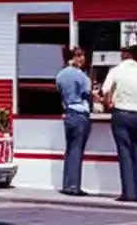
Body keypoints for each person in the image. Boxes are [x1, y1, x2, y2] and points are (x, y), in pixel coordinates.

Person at [101, 43, 137, 203]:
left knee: (125, 153)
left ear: (128, 55)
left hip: (121, 113)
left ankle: (128, 192)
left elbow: (105, 90)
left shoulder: (117, 70)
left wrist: (109, 102)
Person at [54, 46, 92, 196]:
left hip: (68, 114)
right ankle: (73, 187)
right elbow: (87, 94)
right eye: (79, 55)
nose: (81, 58)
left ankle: (67, 184)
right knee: (77, 151)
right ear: (73, 57)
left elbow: (59, 91)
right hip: (80, 115)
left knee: (70, 151)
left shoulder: (60, 75)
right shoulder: (82, 76)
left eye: (82, 55)